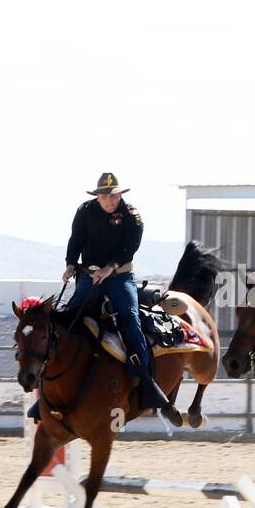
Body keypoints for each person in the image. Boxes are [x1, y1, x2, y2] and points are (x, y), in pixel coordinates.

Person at [60, 172, 171, 411]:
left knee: (130, 318)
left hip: (120, 276)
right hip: (89, 276)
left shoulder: (132, 216)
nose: (110, 200)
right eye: (105, 196)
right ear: (97, 197)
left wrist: (110, 268)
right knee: (68, 318)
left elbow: (130, 247)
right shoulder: (84, 211)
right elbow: (76, 239)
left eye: (114, 195)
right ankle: (55, 377)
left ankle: (144, 380)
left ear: (120, 194)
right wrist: (70, 263)